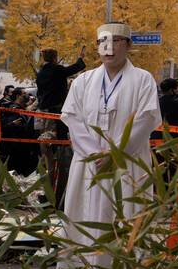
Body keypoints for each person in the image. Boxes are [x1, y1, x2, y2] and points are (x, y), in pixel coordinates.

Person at [59, 23, 160, 243]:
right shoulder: (82, 82)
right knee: (83, 226)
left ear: (129, 45)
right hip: (89, 163)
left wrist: (115, 153)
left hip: (126, 164)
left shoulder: (143, 80)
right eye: (103, 42)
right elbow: (73, 120)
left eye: (116, 41)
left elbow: (146, 120)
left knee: (123, 223)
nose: (109, 47)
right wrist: (95, 153)